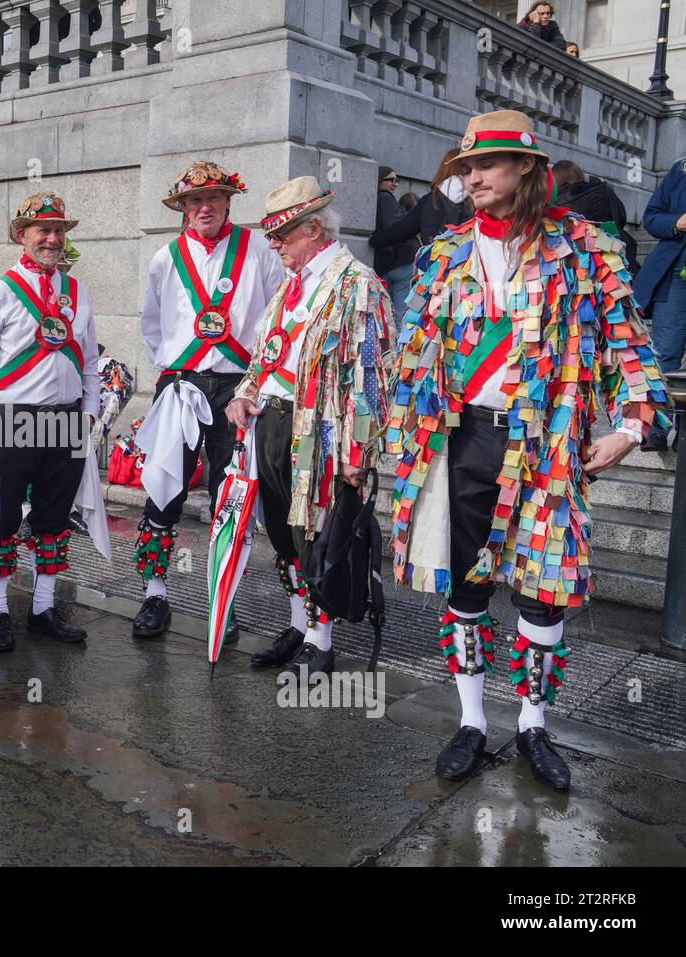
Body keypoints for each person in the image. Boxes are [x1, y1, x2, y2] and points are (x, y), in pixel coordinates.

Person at [386, 110, 667, 791]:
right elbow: (416, 354)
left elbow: (631, 344)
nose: (472, 176)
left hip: (548, 443)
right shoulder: (444, 252)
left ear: (526, 169)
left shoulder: (587, 247)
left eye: (486, 165)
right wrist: (401, 441)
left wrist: (630, 428)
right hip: (464, 439)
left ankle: (534, 725)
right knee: (467, 585)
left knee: (544, 593)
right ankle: (473, 721)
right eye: (465, 167)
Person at [226, 176, 395, 678]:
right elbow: (266, 355)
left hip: (320, 433)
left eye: (281, 235)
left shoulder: (358, 285)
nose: (273, 245)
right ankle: (299, 624)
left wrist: (359, 450)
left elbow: (372, 378)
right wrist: (244, 394)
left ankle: (321, 643)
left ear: (314, 229)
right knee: (282, 534)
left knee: (316, 536)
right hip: (271, 425)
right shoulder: (288, 287)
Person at [129, 161, 282, 641]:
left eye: (212, 198)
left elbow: (277, 310)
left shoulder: (258, 248)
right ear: (183, 207)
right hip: (183, 383)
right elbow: (152, 322)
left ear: (228, 202)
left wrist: (259, 380)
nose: (204, 207)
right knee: (164, 490)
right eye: (194, 200)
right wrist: (175, 367)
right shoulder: (165, 257)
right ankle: (156, 594)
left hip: (240, 388)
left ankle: (223, 600)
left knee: (228, 496)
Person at [0, 193, 101, 652]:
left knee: (55, 519)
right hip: (14, 420)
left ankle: (42, 609)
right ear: (22, 235)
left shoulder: (76, 292)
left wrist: (90, 412)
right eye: (44, 230)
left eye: (59, 230)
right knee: (1, 518)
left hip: (67, 422)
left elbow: (91, 361)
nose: (53, 238)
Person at [632, 153, 686, 449]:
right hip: (677, 271)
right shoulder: (681, 168)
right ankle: (658, 426)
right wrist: (677, 222)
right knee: (666, 352)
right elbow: (651, 217)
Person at [369, 147, 473, 264]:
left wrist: (372, 240)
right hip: (468, 272)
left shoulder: (430, 200)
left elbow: (402, 230)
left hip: (435, 270)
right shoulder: (477, 199)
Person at [553, 159, 637, 270]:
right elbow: (621, 217)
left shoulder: (559, 203)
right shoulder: (603, 191)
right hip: (614, 255)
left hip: (583, 264)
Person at [373, 166, 418, 308]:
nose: (395, 184)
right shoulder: (385, 198)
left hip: (391, 265)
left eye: (397, 180)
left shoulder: (382, 199)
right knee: (401, 313)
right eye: (391, 180)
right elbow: (393, 230)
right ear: (379, 180)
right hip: (402, 263)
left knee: (390, 311)